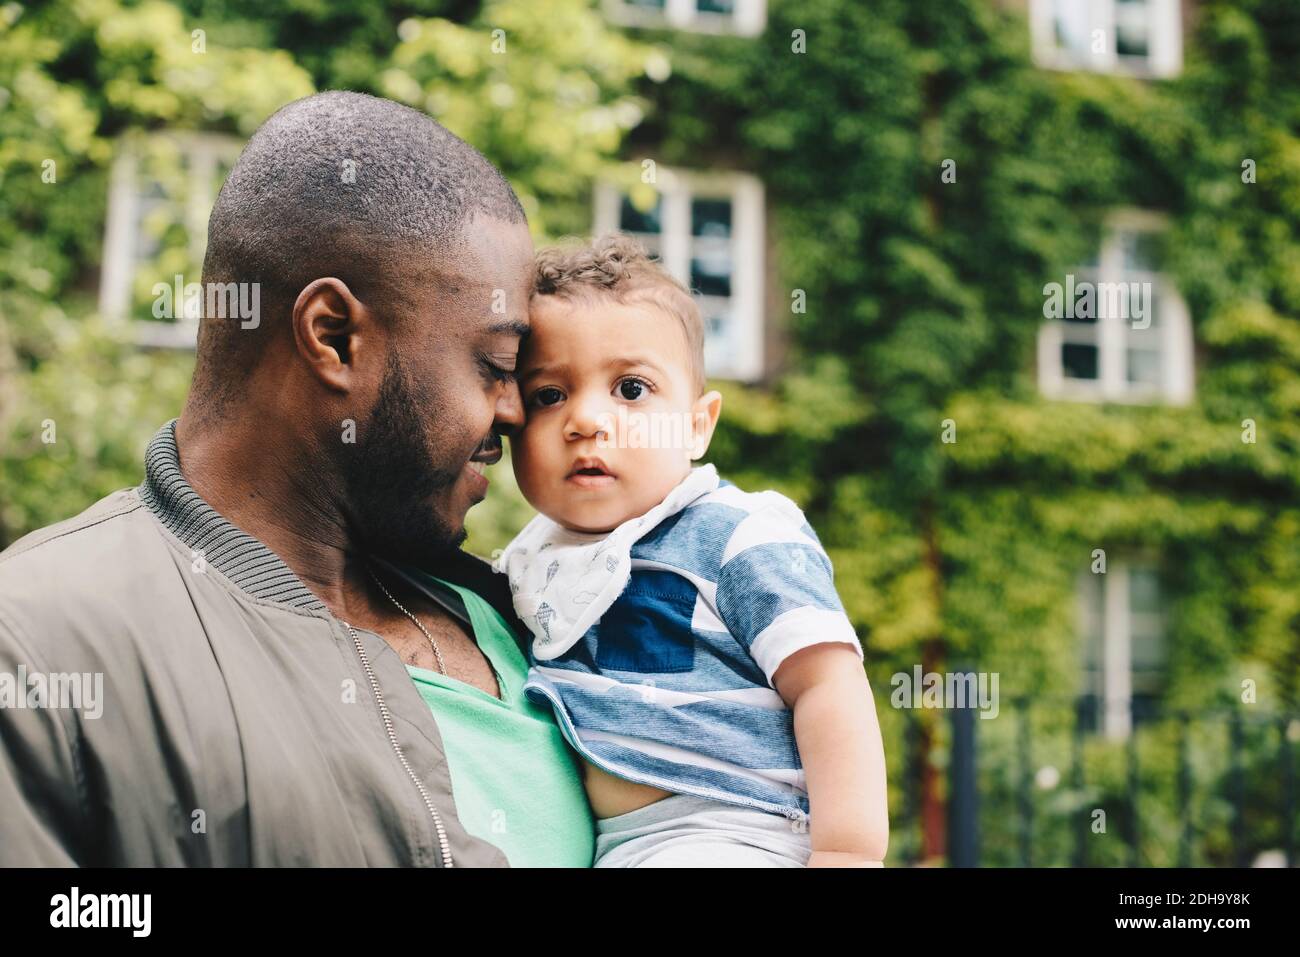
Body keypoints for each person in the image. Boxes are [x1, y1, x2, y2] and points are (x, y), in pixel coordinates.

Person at [0, 91, 595, 867]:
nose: (517, 412)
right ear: (335, 337)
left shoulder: (543, 616)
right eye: (497, 365)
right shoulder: (39, 643)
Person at [493, 233, 890, 867]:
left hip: (733, 827)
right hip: (613, 849)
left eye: (630, 390)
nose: (586, 420)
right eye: (549, 395)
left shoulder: (740, 532)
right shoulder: (520, 567)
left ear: (697, 424)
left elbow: (828, 685)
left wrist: (847, 852)